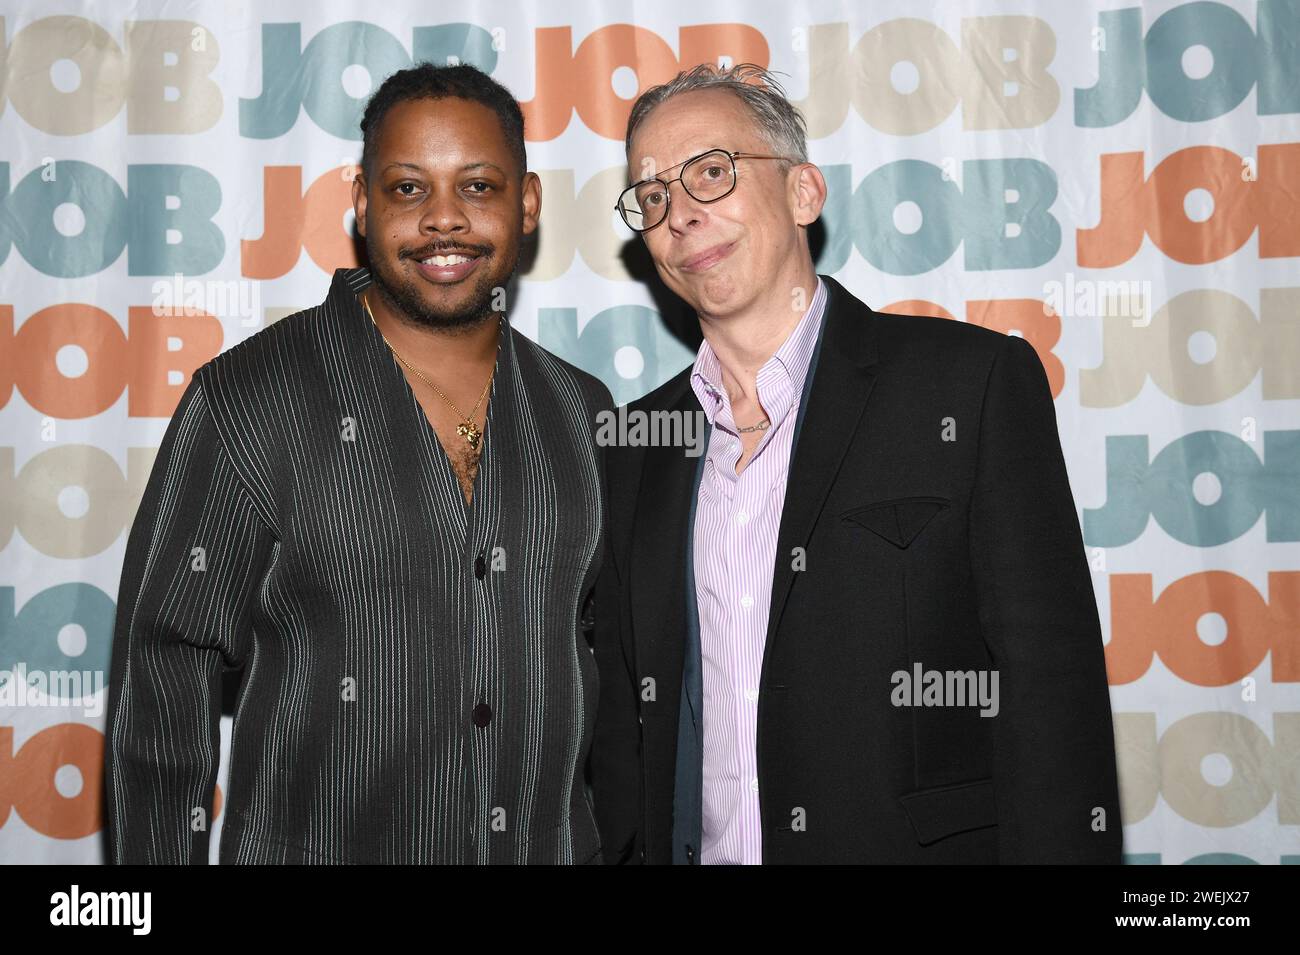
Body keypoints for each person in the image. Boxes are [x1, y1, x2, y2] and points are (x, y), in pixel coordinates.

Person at [589, 63, 1122, 864]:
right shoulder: (635, 445)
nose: (682, 215)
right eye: (654, 195)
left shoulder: (967, 387)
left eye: (711, 172)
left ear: (805, 192)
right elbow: (627, 743)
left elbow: (1052, 700)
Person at [104, 63, 612, 864]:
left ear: (528, 202)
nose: (445, 219)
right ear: (363, 202)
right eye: (409, 189)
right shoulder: (249, 398)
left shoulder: (582, 411)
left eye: (477, 186)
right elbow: (165, 676)